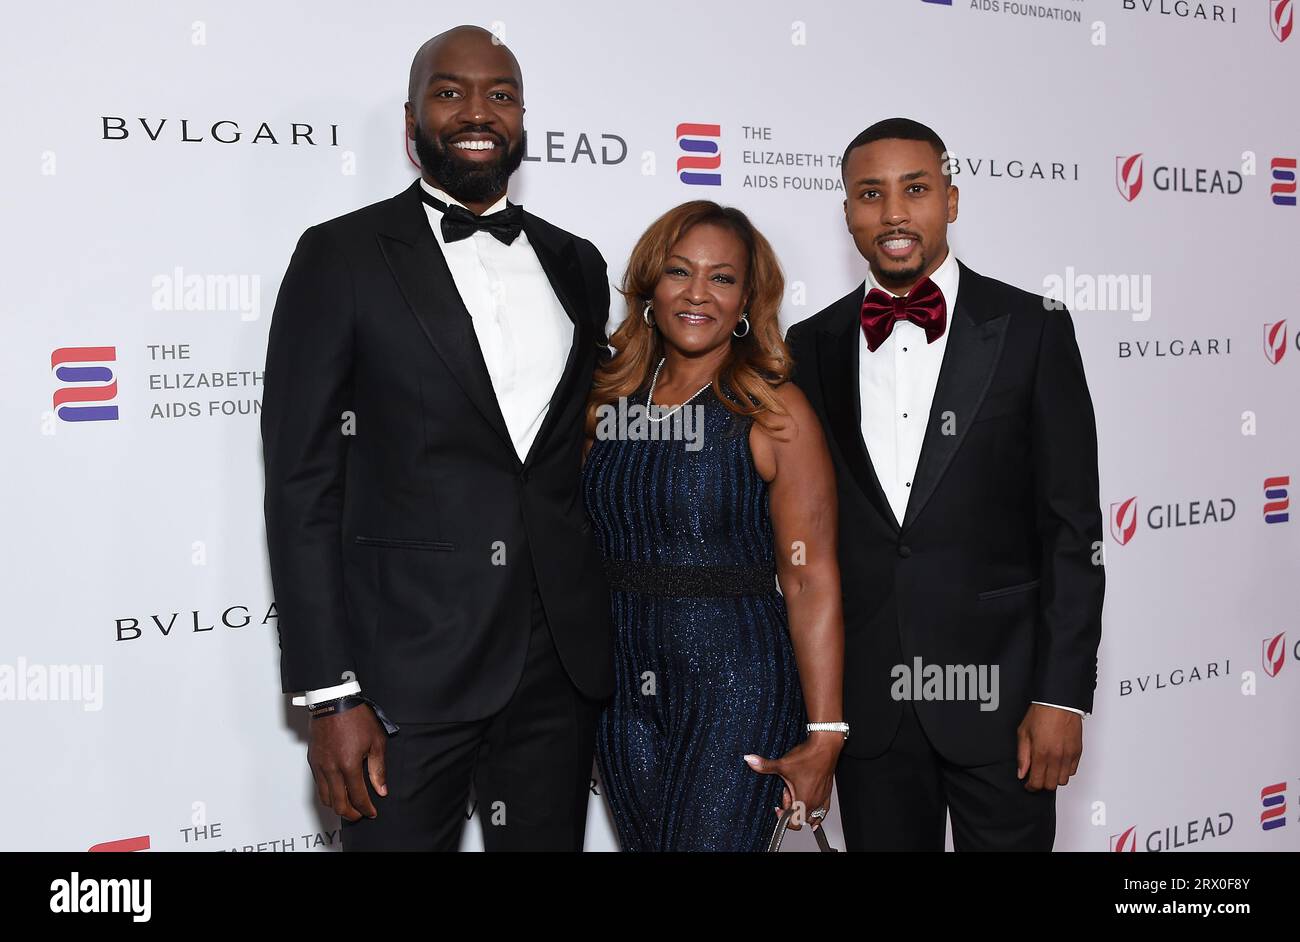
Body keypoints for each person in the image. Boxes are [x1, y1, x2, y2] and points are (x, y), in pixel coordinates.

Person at [260, 25, 614, 851]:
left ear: (522, 118)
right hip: (401, 675)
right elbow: (301, 482)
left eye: (501, 94)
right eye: (450, 92)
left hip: (556, 667)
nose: (477, 112)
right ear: (412, 120)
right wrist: (330, 692)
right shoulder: (341, 255)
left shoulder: (577, 262)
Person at [786, 118, 1105, 851]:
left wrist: (1061, 696)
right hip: (871, 710)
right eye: (871, 194)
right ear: (847, 212)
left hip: (1005, 702)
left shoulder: (1032, 327)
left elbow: (1072, 529)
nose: (893, 213)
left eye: (916, 189)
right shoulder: (809, 346)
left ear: (951, 200)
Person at [582, 201, 846, 852]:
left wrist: (826, 733)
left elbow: (809, 577)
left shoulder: (773, 412)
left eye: (722, 278)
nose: (698, 293)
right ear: (650, 285)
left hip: (738, 687)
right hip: (622, 693)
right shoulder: (607, 402)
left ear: (747, 300)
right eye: (679, 271)